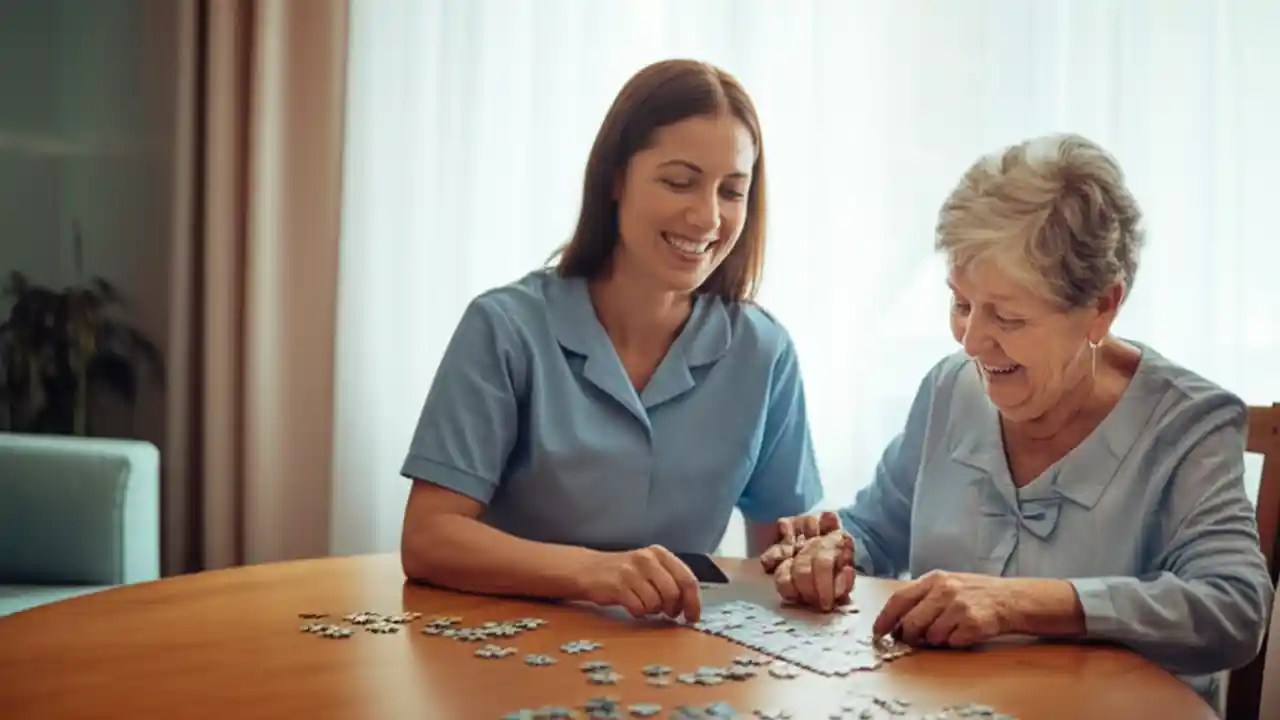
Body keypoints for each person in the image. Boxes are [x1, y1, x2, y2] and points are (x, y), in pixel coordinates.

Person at [760, 133, 1273, 709]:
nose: (972, 341)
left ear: (1103, 305)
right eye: (961, 303)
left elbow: (1233, 608)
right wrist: (834, 552)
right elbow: (879, 529)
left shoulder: (1190, 425)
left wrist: (1021, 603)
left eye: (1007, 315)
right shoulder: (949, 388)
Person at [399, 59, 823, 623]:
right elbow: (429, 538)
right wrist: (595, 573)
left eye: (732, 191)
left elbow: (779, 560)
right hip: (501, 651)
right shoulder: (504, 327)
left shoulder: (764, 351)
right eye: (679, 181)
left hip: (681, 674)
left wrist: (814, 567)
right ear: (615, 178)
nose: (707, 217)